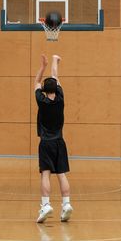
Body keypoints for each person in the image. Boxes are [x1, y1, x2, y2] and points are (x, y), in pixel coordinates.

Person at [33, 53, 72, 223]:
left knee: (46, 174)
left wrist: (43, 66)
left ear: (44, 90)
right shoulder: (61, 99)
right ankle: (66, 204)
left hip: (46, 143)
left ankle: (46, 205)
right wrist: (56, 61)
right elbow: (56, 76)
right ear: (56, 89)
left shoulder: (41, 100)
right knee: (62, 174)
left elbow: (36, 83)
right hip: (59, 142)